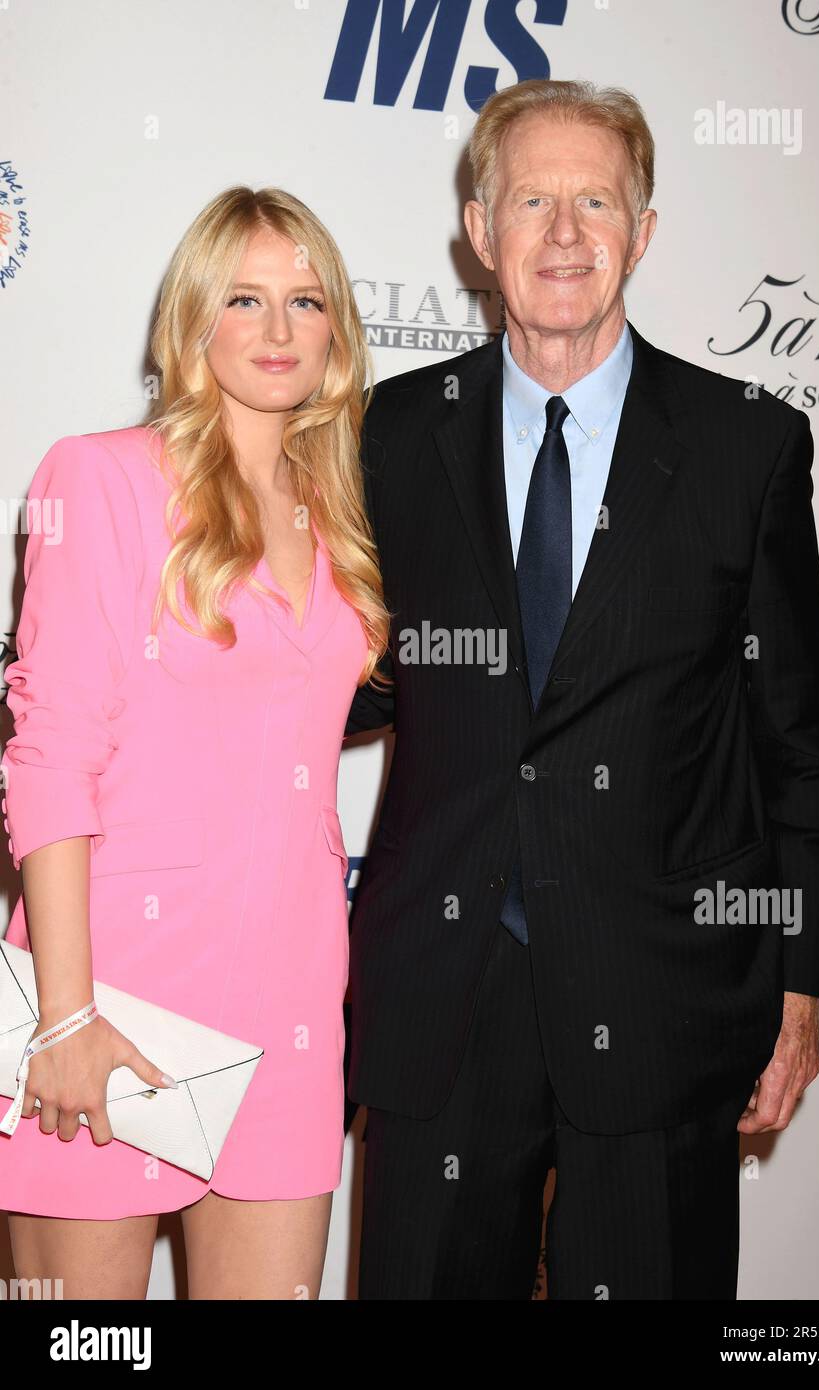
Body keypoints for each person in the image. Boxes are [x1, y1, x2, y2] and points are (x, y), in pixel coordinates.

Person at [343, 79, 819, 1299]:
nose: (564, 233)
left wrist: (795, 981)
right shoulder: (387, 433)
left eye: (595, 201)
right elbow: (331, 674)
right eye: (532, 200)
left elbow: (796, 736)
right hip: (446, 996)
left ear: (644, 228)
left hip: (665, 992)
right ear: (479, 230)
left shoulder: (744, 445)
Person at [0, 186, 388, 1299]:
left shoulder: (344, 516)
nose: (277, 330)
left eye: (305, 300)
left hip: (289, 1010)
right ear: (193, 321)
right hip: (109, 994)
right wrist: (66, 1015)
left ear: (334, 329)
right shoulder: (102, 477)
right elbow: (49, 755)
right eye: (245, 299)